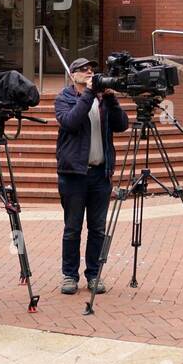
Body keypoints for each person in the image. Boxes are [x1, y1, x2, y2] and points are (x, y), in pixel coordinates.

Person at [53, 57, 129, 296]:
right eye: (83, 70)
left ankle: (94, 274)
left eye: (91, 69)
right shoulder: (64, 98)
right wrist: (88, 93)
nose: (89, 72)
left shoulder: (102, 100)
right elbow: (71, 122)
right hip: (73, 174)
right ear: (72, 74)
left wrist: (110, 97)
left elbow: (122, 125)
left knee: (97, 228)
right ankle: (69, 275)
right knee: (72, 228)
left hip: (100, 174)